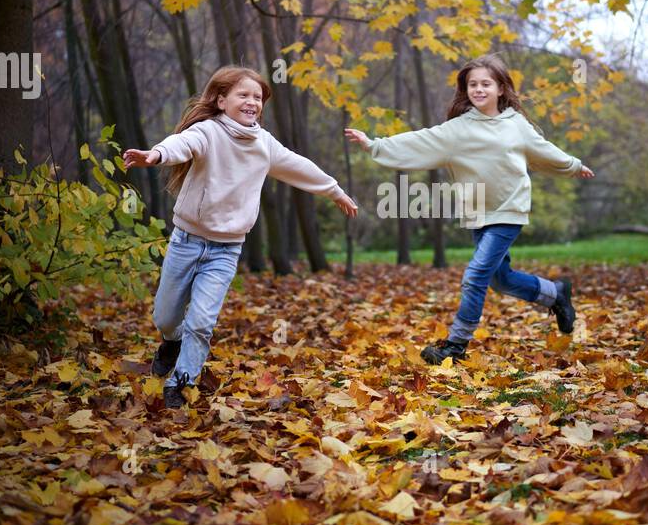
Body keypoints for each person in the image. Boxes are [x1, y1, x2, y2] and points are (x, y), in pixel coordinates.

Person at [124, 66, 357, 407]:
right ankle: (170, 343)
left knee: (202, 320)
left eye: (258, 97)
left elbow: (298, 165)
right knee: (165, 317)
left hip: (226, 249)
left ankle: (182, 381)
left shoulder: (264, 144)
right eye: (243, 95)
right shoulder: (208, 132)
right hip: (186, 240)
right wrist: (155, 155)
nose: (252, 102)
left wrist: (334, 190)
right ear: (221, 100)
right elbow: (182, 143)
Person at [344, 53, 593, 364]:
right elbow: (421, 141)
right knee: (500, 279)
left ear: (501, 88)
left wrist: (574, 165)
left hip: (508, 211)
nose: (478, 89)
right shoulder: (458, 129)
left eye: (486, 83)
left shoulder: (516, 125)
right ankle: (555, 294)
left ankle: (456, 344)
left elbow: (544, 151)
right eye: (473, 84)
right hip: (477, 213)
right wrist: (375, 145)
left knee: (475, 275)